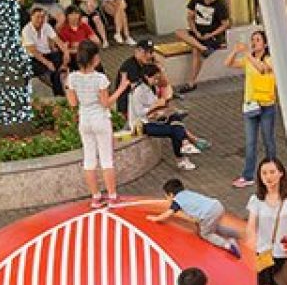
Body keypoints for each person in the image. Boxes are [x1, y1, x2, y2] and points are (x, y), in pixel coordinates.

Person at [66, 41, 129, 207]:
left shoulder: (72, 78)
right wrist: (121, 88)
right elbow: (106, 103)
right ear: (94, 58)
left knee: (89, 159)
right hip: (100, 119)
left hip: (84, 119)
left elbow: (72, 103)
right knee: (106, 159)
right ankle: (112, 195)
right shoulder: (100, 79)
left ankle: (95, 196)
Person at [227, 30, 279, 187]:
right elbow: (228, 64)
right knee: (250, 142)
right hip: (251, 104)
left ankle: (273, 169)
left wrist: (247, 54)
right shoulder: (249, 59)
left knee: (268, 139)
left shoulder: (270, 59)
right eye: (252, 39)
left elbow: (262, 69)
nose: (254, 42)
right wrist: (236, 51)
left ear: (265, 43)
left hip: (266, 105)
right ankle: (248, 175)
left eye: (257, 40)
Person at [129, 69, 208, 170]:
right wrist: (155, 107)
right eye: (155, 78)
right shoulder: (138, 91)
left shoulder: (150, 88)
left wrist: (162, 110)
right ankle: (181, 156)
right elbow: (140, 112)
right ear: (146, 77)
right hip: (141, 125)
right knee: (174, 131)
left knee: (175, 117)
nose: (157, 81)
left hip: (153, 117)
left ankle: (184, 144)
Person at [146, 178, 242, 253]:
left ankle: (228, 245)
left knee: (205, 234)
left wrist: (155, 218)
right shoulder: (187, 193)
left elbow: (168, 213)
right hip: (217, 206)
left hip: (208, 213)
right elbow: (194, 210)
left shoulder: (177, 201)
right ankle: (236, 234)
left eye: (166, 196)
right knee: (213, 226)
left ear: (171, 194)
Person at [180, 0, 229, 92]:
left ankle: (191, 82)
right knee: (179, 33)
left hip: (212, 35)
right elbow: (190, 18)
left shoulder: (220, 4)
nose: (209, 1)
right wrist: (195, 31)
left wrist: (211, 35)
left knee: (195, 50)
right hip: (197, 32)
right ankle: (204, 49)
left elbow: (225, 24)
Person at [21, 3, 65, 96]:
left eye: (42, 17)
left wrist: (66, 52)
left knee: (58, 57)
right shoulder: (26, 30)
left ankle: (59, 92)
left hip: (47, 54)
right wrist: (47, 63)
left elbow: (58, 40)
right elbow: (34, 52)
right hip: (34, 58)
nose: (40, 20)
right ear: (31, 17)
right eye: (37, 17)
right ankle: (58, 90)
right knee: (48, 70)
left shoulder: (46, 26)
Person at [114, 37, 158, 113]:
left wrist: (159, 66)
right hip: (129, 106)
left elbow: (162, 82)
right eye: (145, 52)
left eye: (150, 52)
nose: (148, 55)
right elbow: (138, 91)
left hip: (144, 102)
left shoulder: (147, 63)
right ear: (137, 51)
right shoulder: (128, 67)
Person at [54, 3, 94, 69]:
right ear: (67, 16)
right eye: (71, 14)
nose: (74, 16)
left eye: (76, 13)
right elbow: (65, 50)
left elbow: (97, 41)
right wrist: (82, 48)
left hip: (87, 53)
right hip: (75, 57)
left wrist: (81, 45)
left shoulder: (84, 25)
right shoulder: (64, 31)